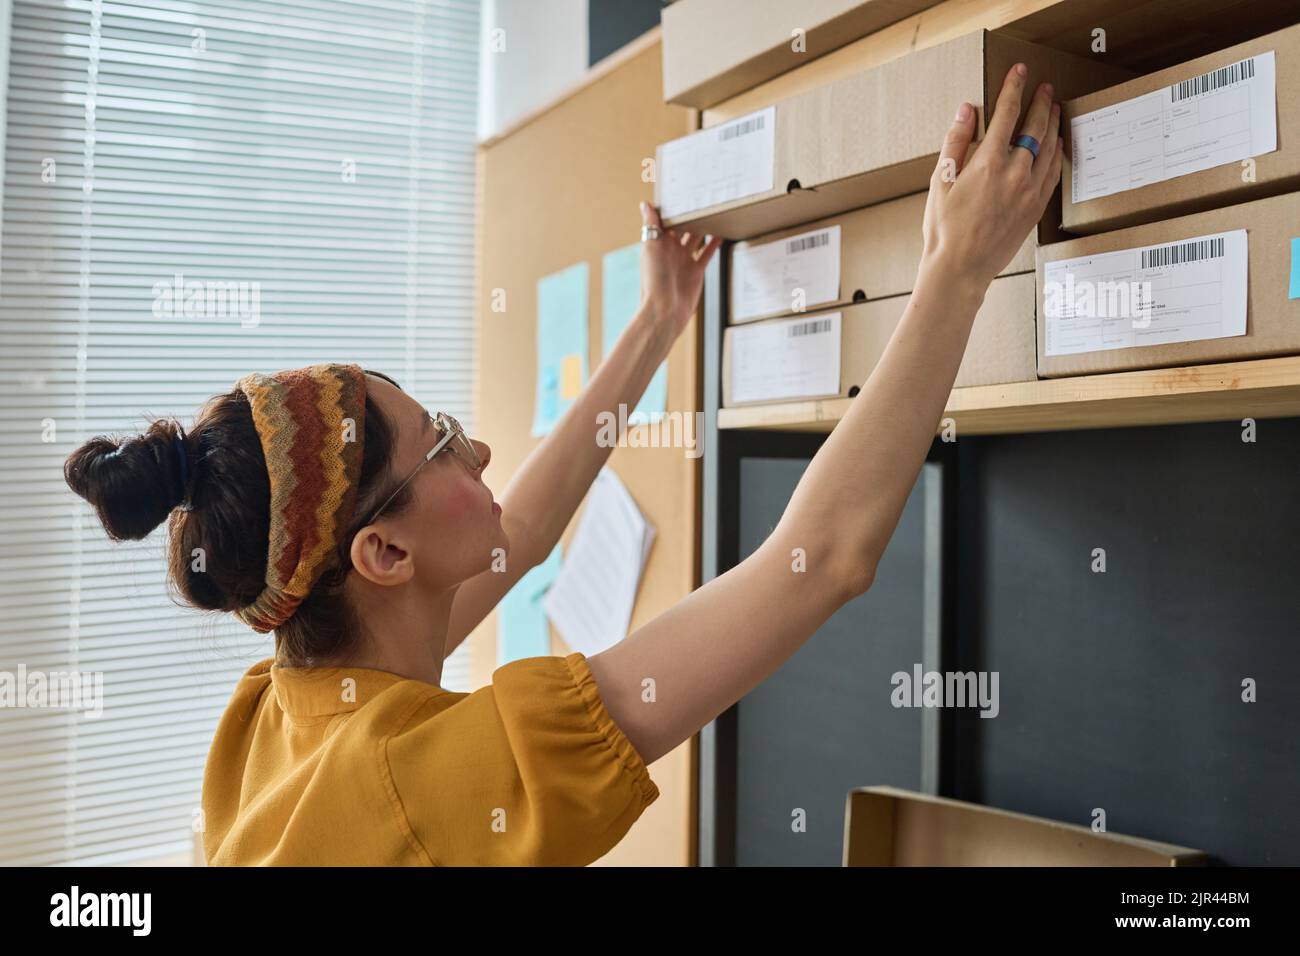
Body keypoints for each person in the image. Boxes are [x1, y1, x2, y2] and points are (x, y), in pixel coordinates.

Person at [63, 64, 1061, 865]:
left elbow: (518, 533)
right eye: (443, 444)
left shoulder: (281, 713)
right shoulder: (422, 785)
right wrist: (956, 270)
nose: (485, 449)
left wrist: (661, 320)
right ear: (382, 553)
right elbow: (827, 555)